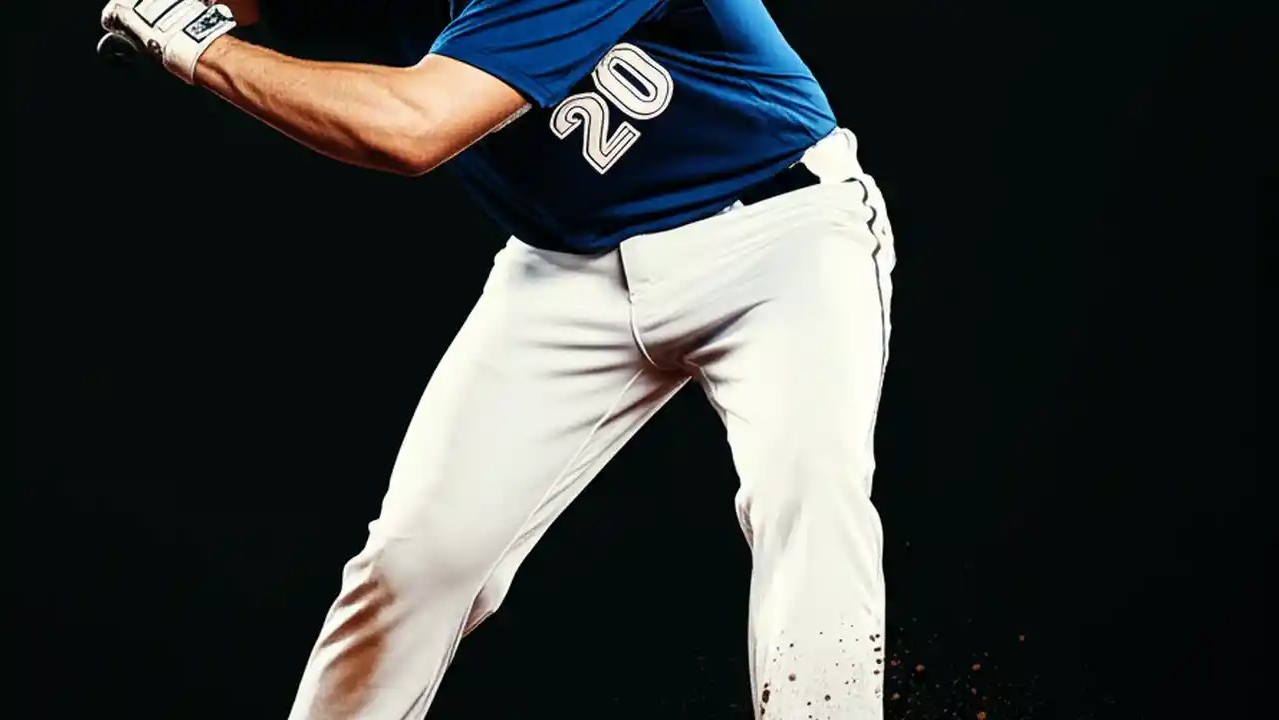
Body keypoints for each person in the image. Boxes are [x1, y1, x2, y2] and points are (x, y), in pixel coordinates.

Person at [98, 1, 898, 717]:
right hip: (566, 262)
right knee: (416, 560)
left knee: (808, 497)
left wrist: (197, 46)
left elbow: (412, 129)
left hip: (775, 234)